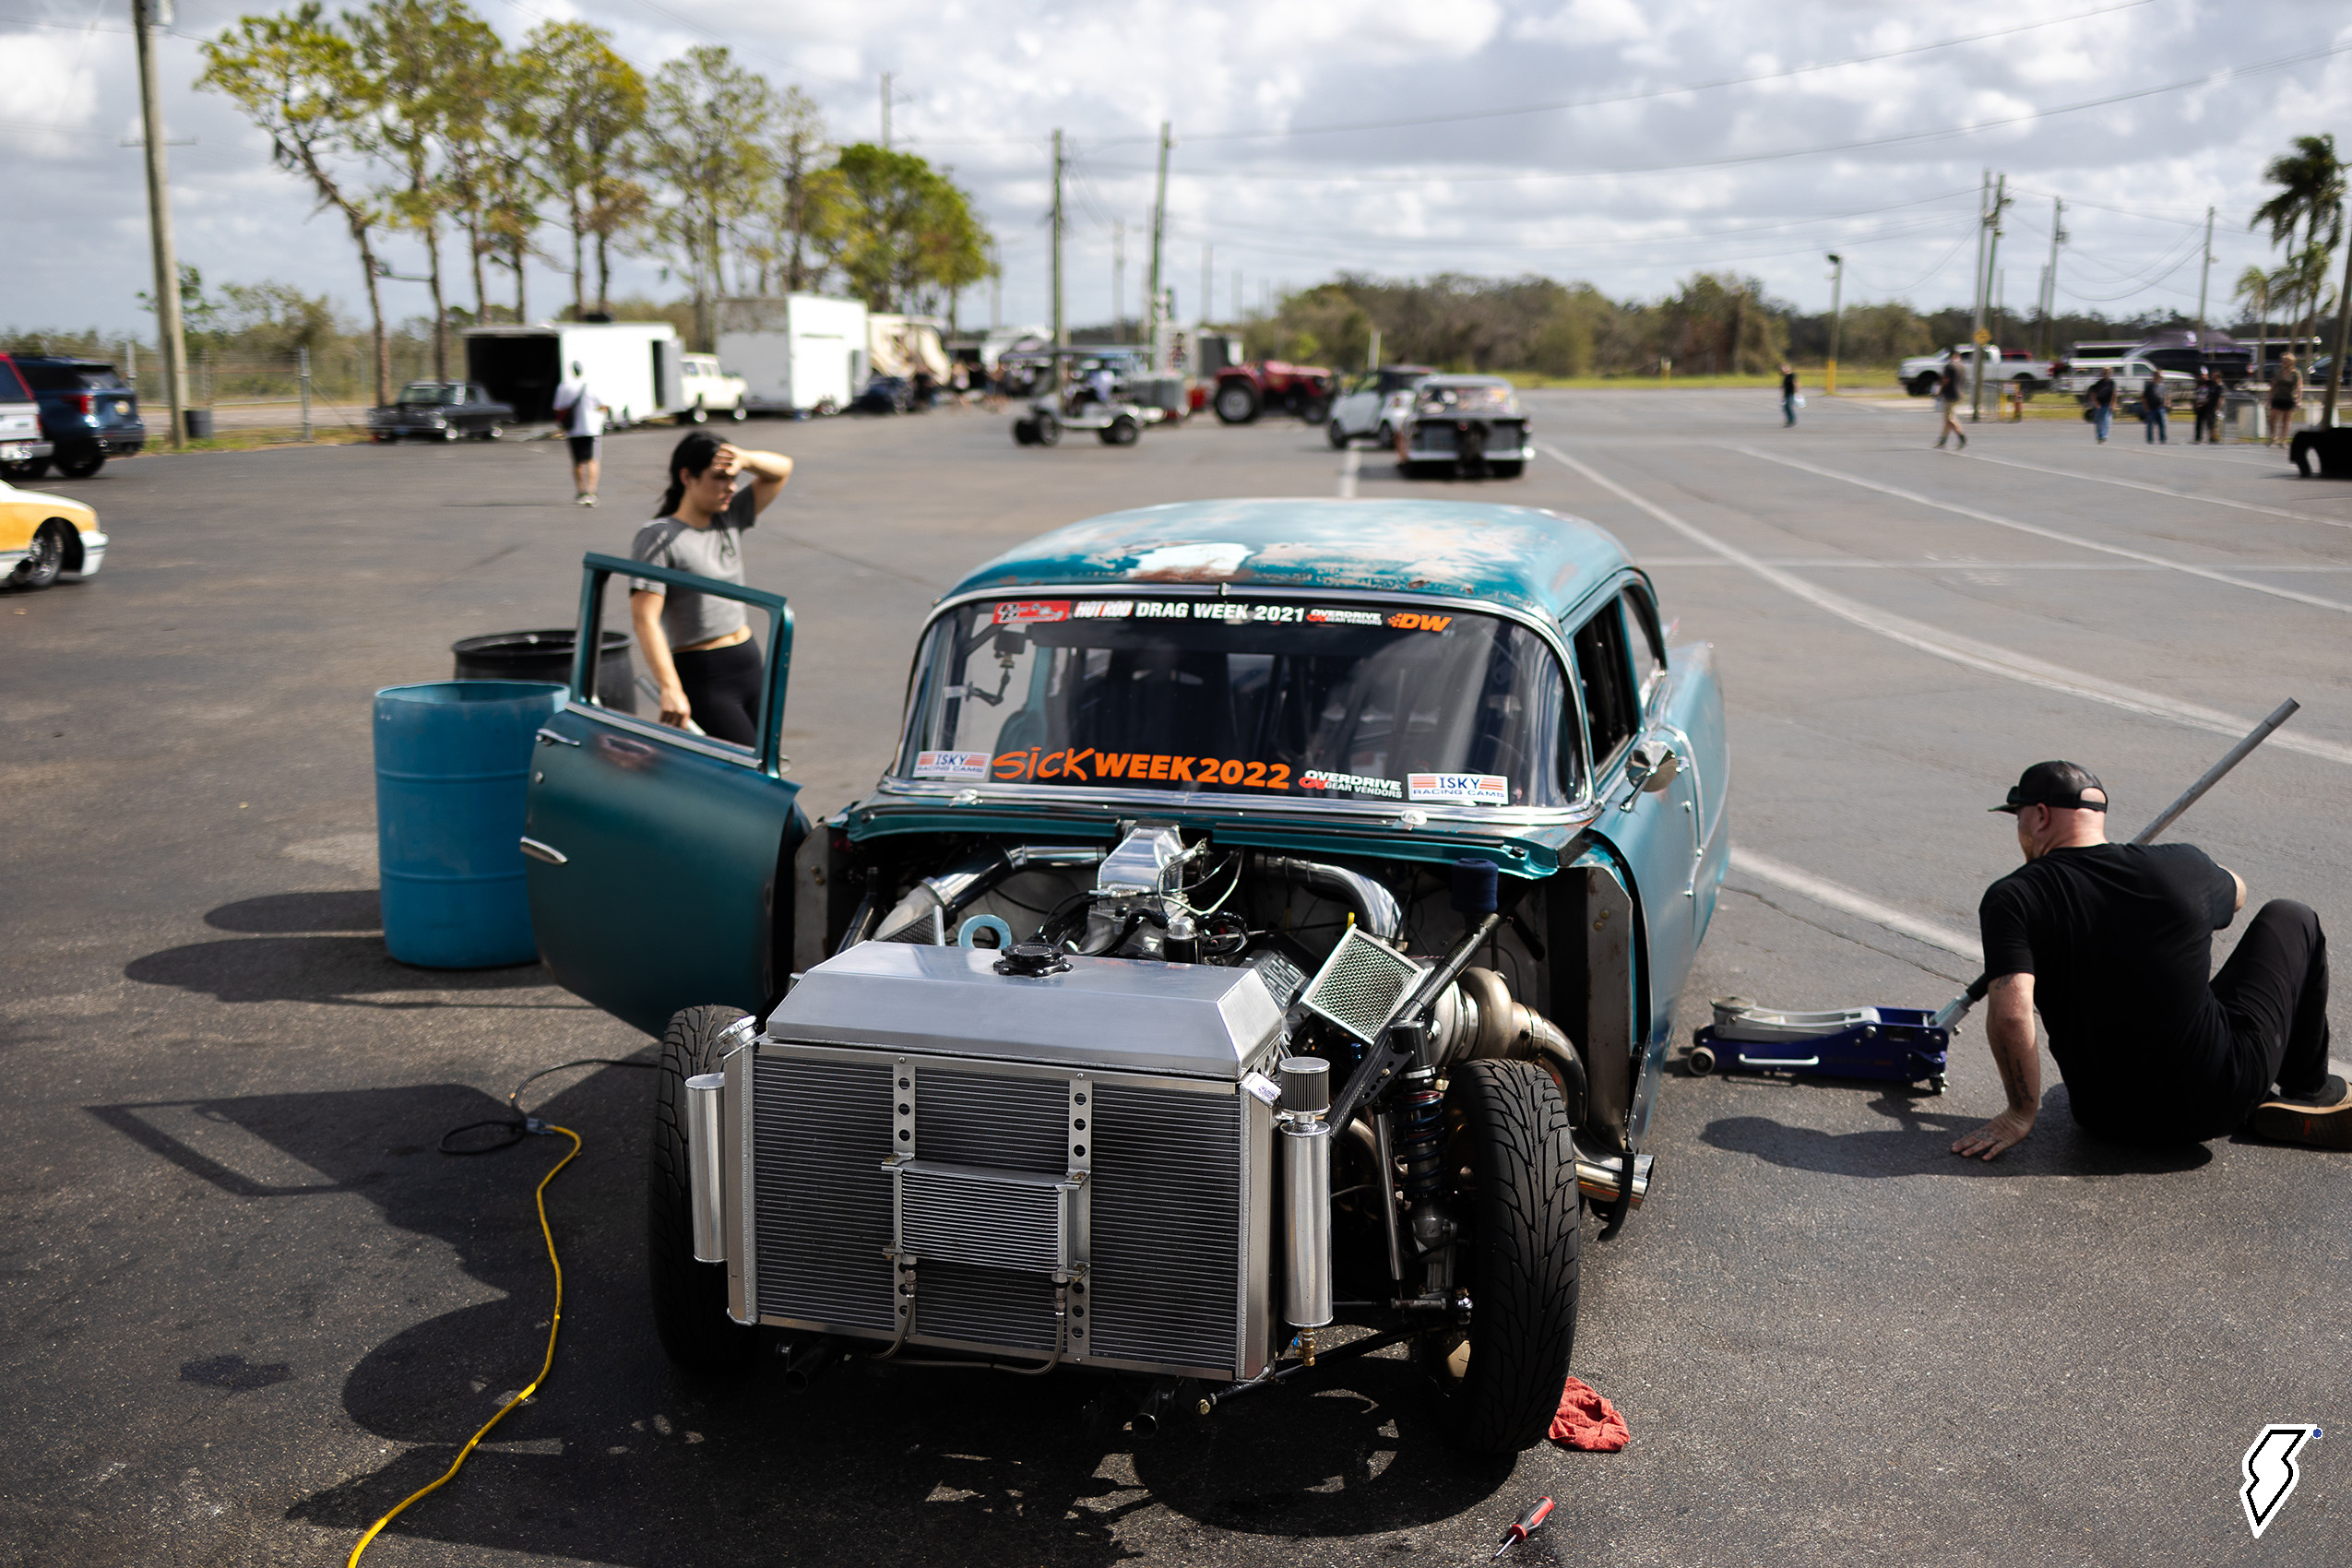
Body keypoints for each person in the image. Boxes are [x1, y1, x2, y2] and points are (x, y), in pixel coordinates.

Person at [1952, 761, 2349, 1160]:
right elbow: (2238, 893)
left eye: (2018, 815)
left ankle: (2268, 1094)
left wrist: (2020, 1114)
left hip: (2103, 1116)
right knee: (2291, 915)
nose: (2018, 827)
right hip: (2218, 1102)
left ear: (2040, 816)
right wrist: (2194, 876)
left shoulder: (2014, 896)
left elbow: (2012, 1014)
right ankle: (2310, 1091)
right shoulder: (2183, 866)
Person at [628, 434, 793, 746]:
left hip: (747, 661)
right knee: (743, 767)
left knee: (767, 759)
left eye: (733, 478)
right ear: (687, 477)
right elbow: (645, 619)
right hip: (705, 674)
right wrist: (670, 688)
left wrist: (744, 458)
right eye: (719, 477)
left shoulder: (729, 517)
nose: (730, 487)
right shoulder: (659, 536)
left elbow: (782, 470)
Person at [550, 360, 608, 506]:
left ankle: (581, 492)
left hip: (573, 430)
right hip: (591, 429)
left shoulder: (564, 387)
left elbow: (557, 408)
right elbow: (602, 406)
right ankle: (591, 492)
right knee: (592, 460)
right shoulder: (591, 386)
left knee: (578, 462)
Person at [2267, 351, 2301, 447]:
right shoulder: (2278, 373)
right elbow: (2273, 386)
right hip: (2277, 397)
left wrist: (2299, 400)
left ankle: (2283, 440)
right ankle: (2273, 437)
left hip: (2289, 398)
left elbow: (2299, 387)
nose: (2283, 363)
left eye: (2285, 361)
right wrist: (2269, 399)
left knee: (2286, 419)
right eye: (2282, 361)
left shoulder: (2295, 374)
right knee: (2272, 418)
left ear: (2290, 362)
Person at [1933, 358, 1966, 449]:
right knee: (1947, 419)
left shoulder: (1949, 366)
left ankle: (1962, 437)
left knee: (1949, 418)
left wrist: (1940, 391)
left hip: (1950, 395)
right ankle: (1943, 440)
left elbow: (1945, 380)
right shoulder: (1961, 366)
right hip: (1959, 393)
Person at [2191, 366, 2223, 444]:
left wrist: (2217, 407)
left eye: (2204, 375)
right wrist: (2195, 404)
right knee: (2199, 423)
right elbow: (2195, 395)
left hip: (2207, 407)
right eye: (2201, 375)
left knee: (2211, 423)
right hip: (2199, 406)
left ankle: (2213, 438)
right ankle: (2198, 438)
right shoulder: (2198, 384)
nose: (2202, 377)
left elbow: (2212, 395)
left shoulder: (2210, 384)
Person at [2139, 367, 2168, 445]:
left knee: (2162, 424)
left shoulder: (2163, 386)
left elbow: (2166, 395)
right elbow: (2144, 398)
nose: (2160, 378)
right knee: (2150, 424)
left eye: (2161, 376)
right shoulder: (2149, 386)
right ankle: (2150, 439)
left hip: (2161, 407)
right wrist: (2146, 407)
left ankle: (2162, 439)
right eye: (2158, 376)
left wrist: (2167, 403)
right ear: (2154, 376)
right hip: (2151, 408)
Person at [2087, 367, 2116, 444]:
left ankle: (2104, 436)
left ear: (2110, 373)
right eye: (2104, 372)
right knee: (2099, 421)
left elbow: (2114, 394)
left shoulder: (2112, 383)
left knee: (2106, 420)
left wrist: (2113, 404)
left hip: (2107, 404)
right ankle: (2100, 436)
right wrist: (2096, 402)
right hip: (2099, 404)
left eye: (2107, 372)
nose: (2105, 374)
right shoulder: (2099, 383)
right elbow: (2092, 393)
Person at [1779, 362, 1799, 427]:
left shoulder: (1792, 375)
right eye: (1783, 369)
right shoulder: (1785, 376)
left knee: (1789, 406)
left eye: (1786, 368)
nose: (1784, 369)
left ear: (1789, 368)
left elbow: (1796, 382)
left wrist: (1796, 391)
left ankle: (1792, 420)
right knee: (1785, 407)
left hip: (1791, 393)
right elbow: (1784, 386)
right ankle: (1789, 420)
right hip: (1786, 394)